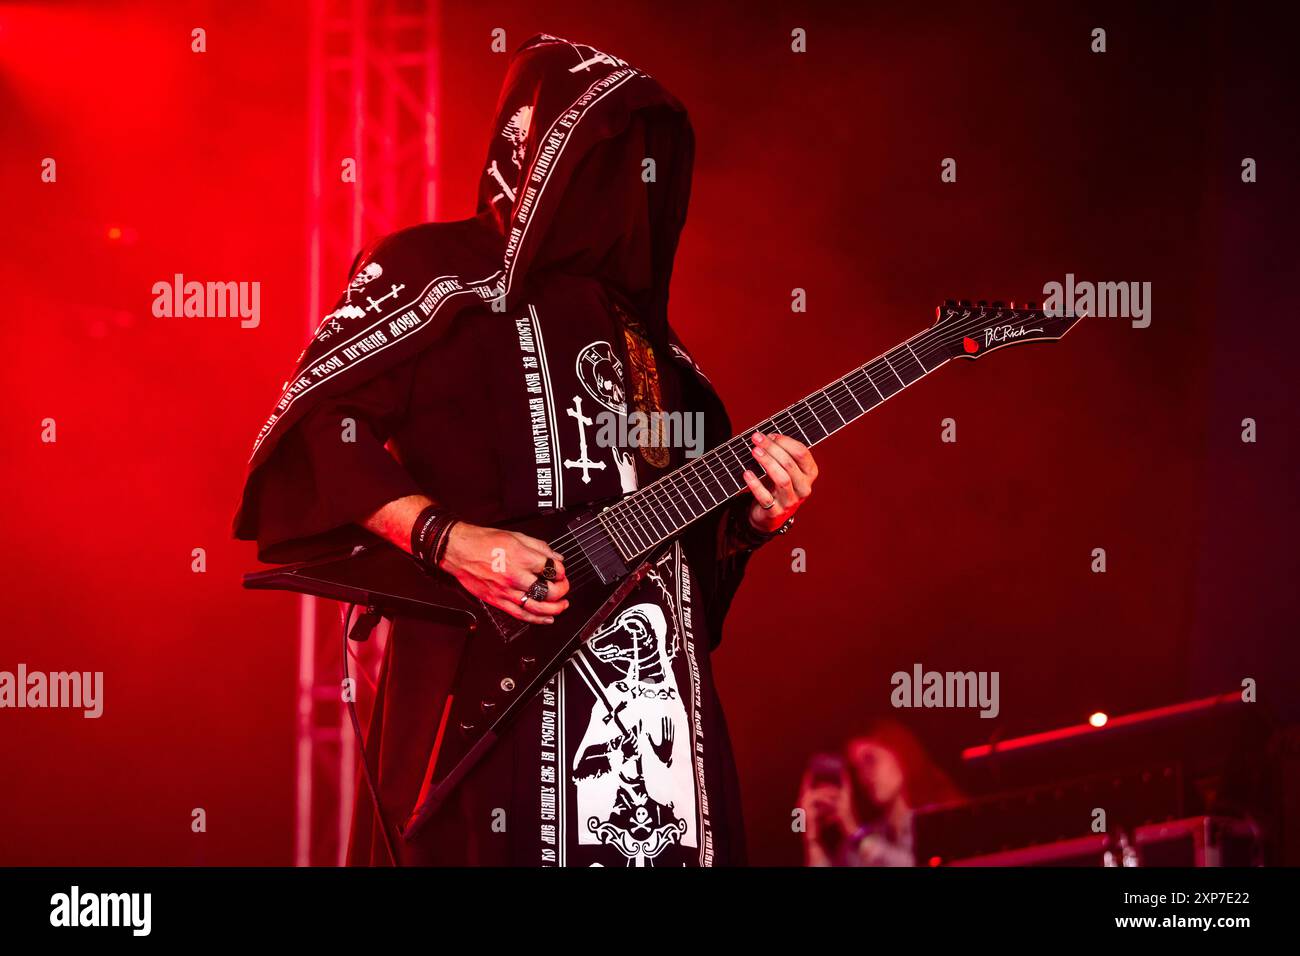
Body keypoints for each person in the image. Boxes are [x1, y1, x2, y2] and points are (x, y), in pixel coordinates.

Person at [233, 34, 819, 866]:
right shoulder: (428, 271)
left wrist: (759, 521)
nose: (624, 187)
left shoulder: (659, 350)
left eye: (645, 163)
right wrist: (448, 538)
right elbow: (320, 433)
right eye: (603, 155)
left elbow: (696, 563)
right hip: (484, 686)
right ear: (533, 150)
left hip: (656, 725)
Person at [799, 720, 960, 867]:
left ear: (899, 753)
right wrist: (813, 841)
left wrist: (856, 833)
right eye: (857, 768)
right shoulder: (858, 844)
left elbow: (913, 863)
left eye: (870, 759)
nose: (864, 775)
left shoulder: (940, 822)